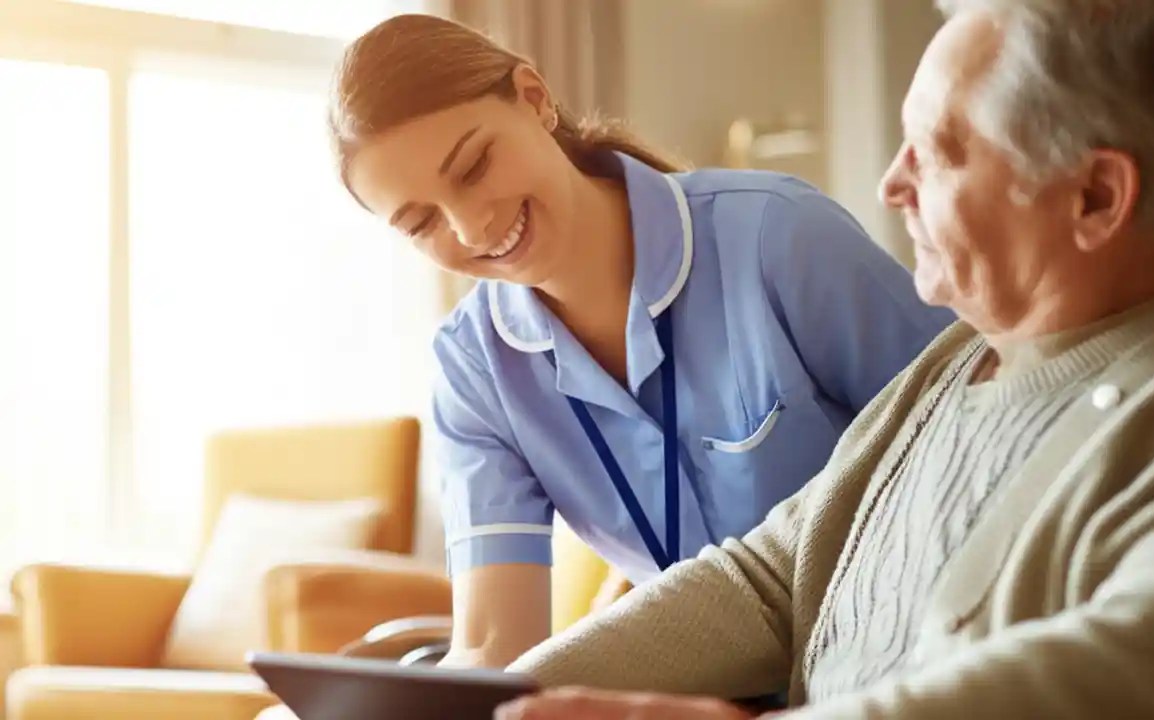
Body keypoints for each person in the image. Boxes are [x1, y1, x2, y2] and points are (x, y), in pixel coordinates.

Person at [498, 1, 1154, 718]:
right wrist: (495, 699)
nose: (892, 183)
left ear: (1097, 198)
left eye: (937, 153)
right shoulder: (955, 360)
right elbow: (771, 580)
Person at [330, 14, 955, 668]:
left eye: (474, 166)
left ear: (535, 99)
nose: (471, 225)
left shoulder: (776, 236)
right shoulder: (472, 371)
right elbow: (493, 645)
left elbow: (981, 444)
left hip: (900, 658)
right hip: (695, 696)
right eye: (422, 220)